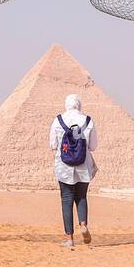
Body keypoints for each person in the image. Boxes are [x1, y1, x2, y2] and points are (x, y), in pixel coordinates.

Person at [49, 93, 97, 247]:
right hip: (83, 165)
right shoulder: (88, 121)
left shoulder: (58, 120)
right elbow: (93, 147)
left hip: (64, 166)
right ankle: (83, 225)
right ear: (79, 105)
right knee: (81, 197)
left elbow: (53, 145)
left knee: (66, 200)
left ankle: (69, 238)